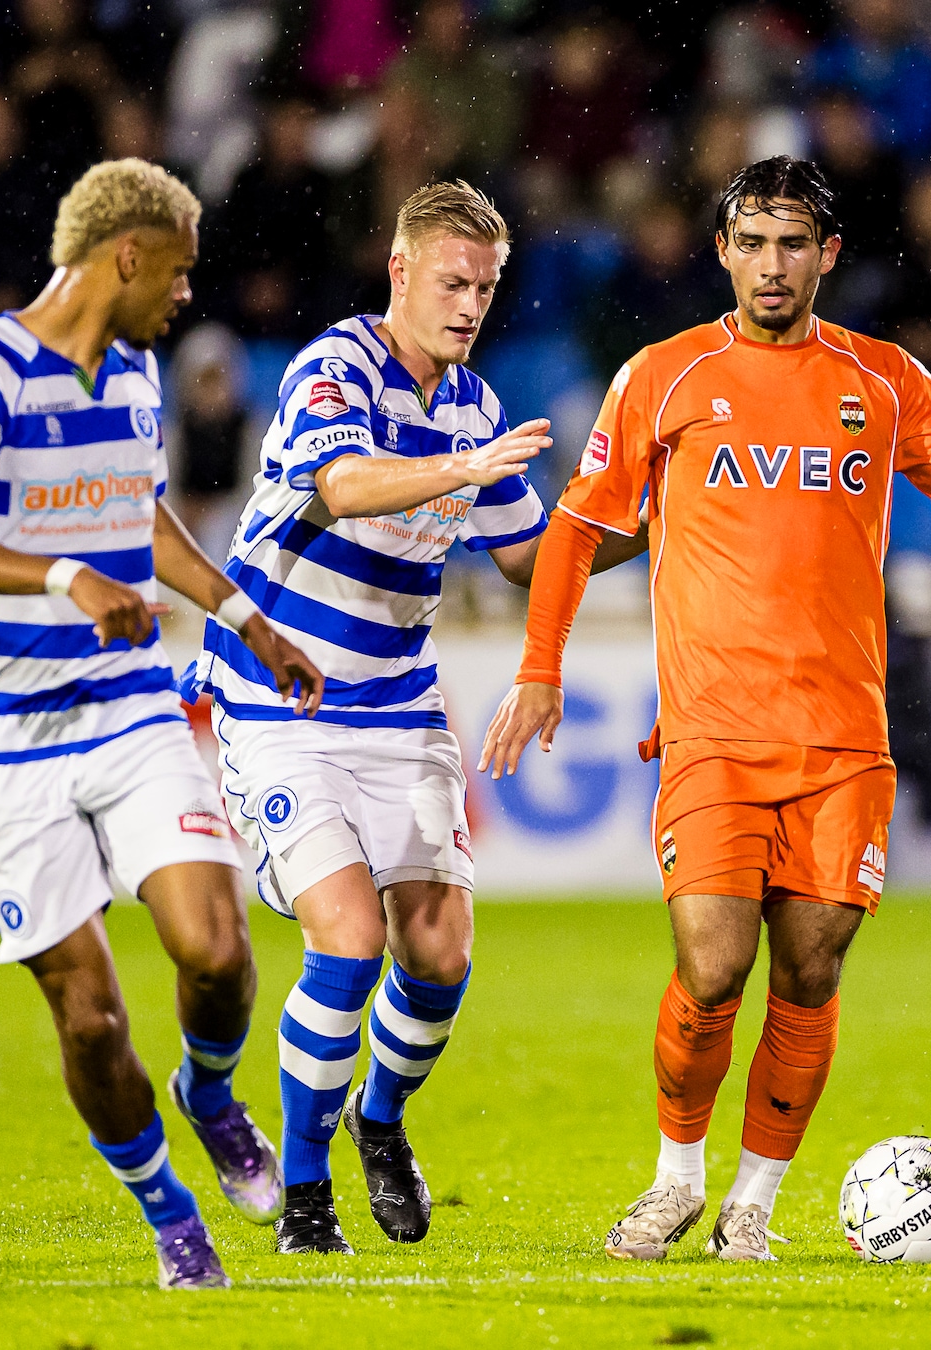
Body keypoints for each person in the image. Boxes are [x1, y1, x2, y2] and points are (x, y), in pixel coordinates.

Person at [478, 157, 931, 1262]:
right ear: (722, 253)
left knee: (811, 970)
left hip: (845, 736)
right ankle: (675, 1180)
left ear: (828, 256)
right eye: (751, 243)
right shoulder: (664, 375)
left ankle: (752, 1205)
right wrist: (540, 668)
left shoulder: (884, 378)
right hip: (714, 729)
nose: (771, 265)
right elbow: (574, 526)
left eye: (793, 243)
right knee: (711, 968)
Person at [179, 180, 646, 1255]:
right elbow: (341, 486)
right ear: (399, 272)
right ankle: (305, 1200)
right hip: (280, 697)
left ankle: (377, 1122)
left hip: (397, 706)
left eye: (486, 286)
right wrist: (461, 472)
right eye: (451, 280)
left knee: (437, 954)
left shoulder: (476, 407)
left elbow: (533, 557)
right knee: (347, 938)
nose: (470, 303)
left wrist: (654, 519)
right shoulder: (332, 370)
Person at [0, 159, 325, 1289]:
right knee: (88, 1020)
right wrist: (65, 581)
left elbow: (138, 514)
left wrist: (246, 619)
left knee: (220, 952)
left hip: (128, 706)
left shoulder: (134, 375)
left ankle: (211, 1092)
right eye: (179, 270)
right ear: (126, 254)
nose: (187, 296)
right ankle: (167, 1212)